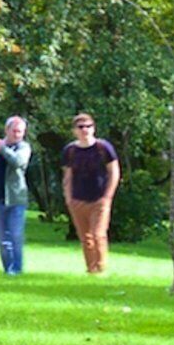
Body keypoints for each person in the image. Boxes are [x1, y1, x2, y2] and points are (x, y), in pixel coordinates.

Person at [59, 112, 121, 274]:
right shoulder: (70, 151)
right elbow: (67, 175)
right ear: (74, 131)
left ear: (93, 129)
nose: (85, 130)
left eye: (88, 126)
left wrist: (107, 196)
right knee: (85, 238)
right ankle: (91, 269)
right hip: (78, 200)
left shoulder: (103, 148)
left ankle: (101, 268)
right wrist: (68, 198)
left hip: (99, 200)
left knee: (98, 235)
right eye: (81, 127)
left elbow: (114, 172)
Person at [0, 115, 36, 275]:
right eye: (15, 131)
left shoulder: (24, 148)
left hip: (16, 199)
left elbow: (18, 162)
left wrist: (3, 148)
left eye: (21, 132)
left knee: (16, 235)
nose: (18, 135)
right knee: (2, 238)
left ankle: (16, 269)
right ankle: (7, 269)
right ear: (7, 130)